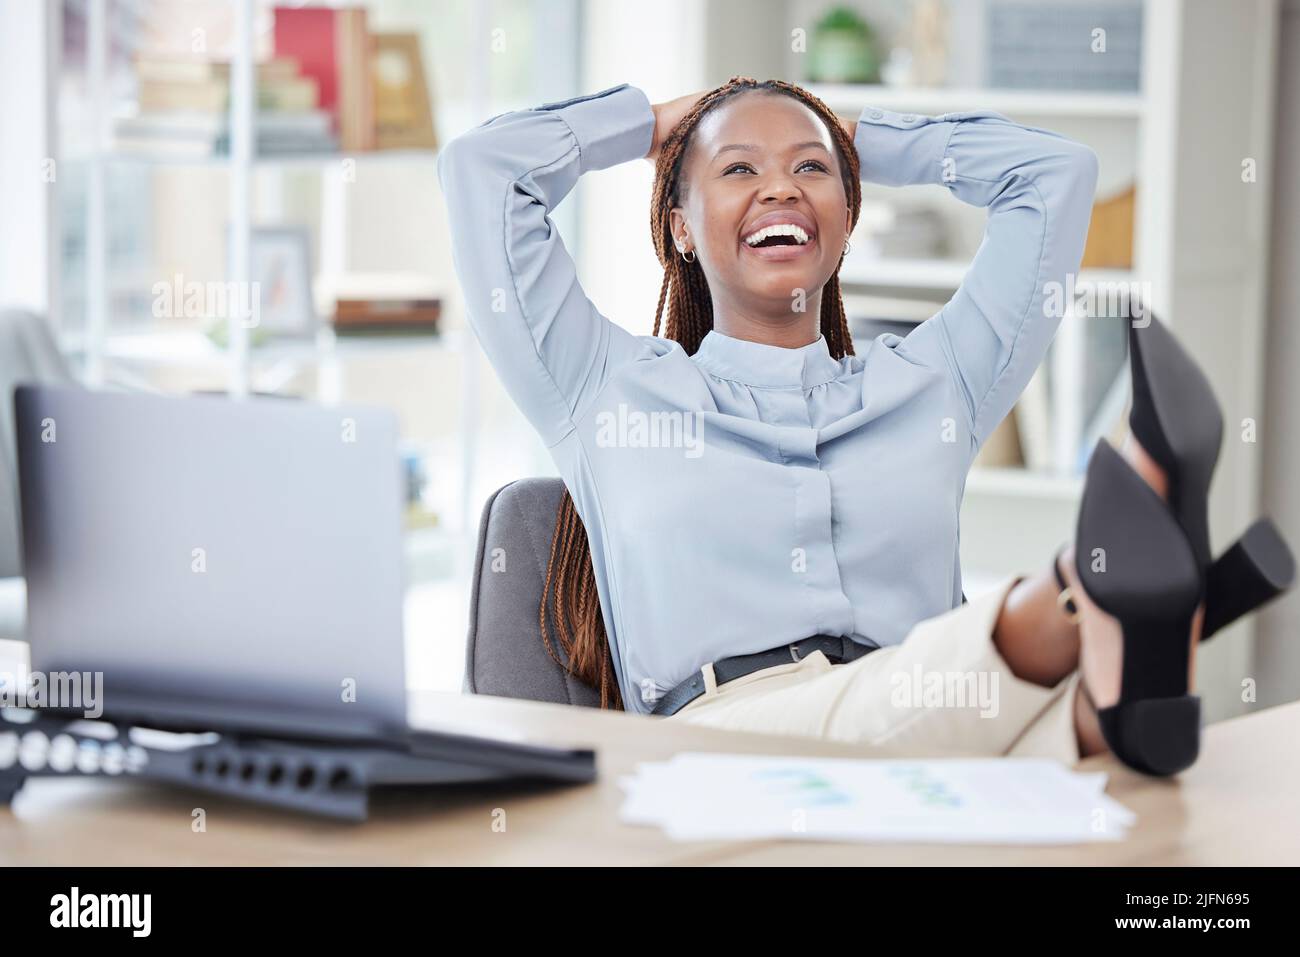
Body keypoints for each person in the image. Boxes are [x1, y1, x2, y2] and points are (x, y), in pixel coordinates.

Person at [437, 78, 1293, 775]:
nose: (780, 186)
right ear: (679, 229)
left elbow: (1058, 176)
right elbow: (484, 169)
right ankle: (1093, 595)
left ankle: (1116, 674)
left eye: (811, 171)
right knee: (1010, 719)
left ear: (846, 217)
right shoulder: (603, 390)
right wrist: (660, 121)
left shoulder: (932, 384)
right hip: (722, 747)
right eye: (738, 171)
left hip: (942, 722)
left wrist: (858, 138)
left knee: (1087, 754)